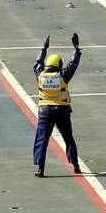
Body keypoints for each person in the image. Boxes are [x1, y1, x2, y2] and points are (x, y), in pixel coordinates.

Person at [33, 32, 82, 178]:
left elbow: (38, 62)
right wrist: (76, 47)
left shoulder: (40, 75)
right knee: (68, 138)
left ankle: (40, 168)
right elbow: (73, 64)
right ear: (58, 65)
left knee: (42, 139)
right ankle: (76, 165)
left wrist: (44, 48)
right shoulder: (63, 76)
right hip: (62, 111)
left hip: (45, 111)